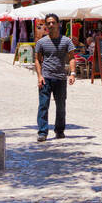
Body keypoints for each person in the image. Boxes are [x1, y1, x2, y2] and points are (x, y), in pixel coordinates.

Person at [34, 13, 76, 142]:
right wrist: (40, 76)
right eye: (48, 23)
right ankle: (42, 132)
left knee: (61, 106)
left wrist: (73, 73)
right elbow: (37, 60)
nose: (51, 25)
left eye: (53, 22)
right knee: (43, 106)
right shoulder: (41, 42)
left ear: (58, 24)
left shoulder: (66, 41)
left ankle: (59, 130)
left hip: (61, 78)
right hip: (46, 78)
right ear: (46, 25)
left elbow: (72, 57)